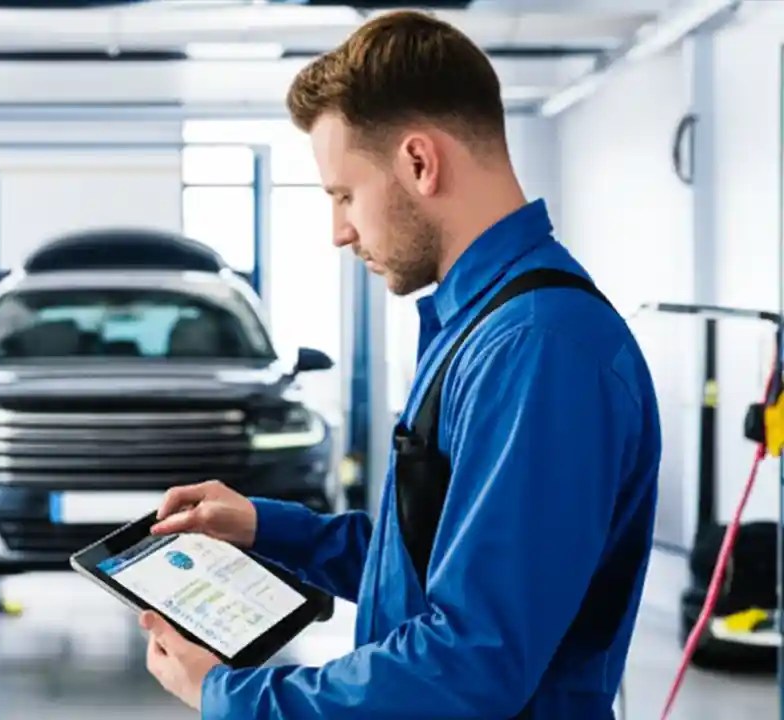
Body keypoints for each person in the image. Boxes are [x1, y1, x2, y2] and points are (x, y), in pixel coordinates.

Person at [137, 10, 661, 720]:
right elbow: (431, 569)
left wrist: (229, 695)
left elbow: (472, 662)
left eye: (345, 195)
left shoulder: (537, 348)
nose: (339, 230)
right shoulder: (479, 326)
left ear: (420, 162)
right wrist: (270, 528)